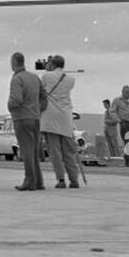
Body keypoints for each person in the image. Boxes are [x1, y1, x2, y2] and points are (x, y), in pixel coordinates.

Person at [39, 55, 80, 189]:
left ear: (52, 64)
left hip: (50, 118)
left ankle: (61, 178)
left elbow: (41, 88)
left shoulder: (46, 76)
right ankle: (74, 179)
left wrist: (47, 69)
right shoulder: (70, 79)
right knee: (69, 151)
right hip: (65, 118)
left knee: (55, 152)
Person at [6, 52, 44, 191]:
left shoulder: (17, 79)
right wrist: (38, 109)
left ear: (14, 63)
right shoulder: (34, 77)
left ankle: (29, 181)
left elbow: (16, 99)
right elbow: (44, 96)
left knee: (26, 150)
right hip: (35, 117)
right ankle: (38, 181)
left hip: (22, 117)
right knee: (34, 150)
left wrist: (9, 106)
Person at [111, 85, 129, 169]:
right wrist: (118, 120)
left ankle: (127, 157)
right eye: (126, 92)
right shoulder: (117, 100)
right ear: (122, 92)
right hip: (124, 122)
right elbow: (112, 111)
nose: (128, 94)